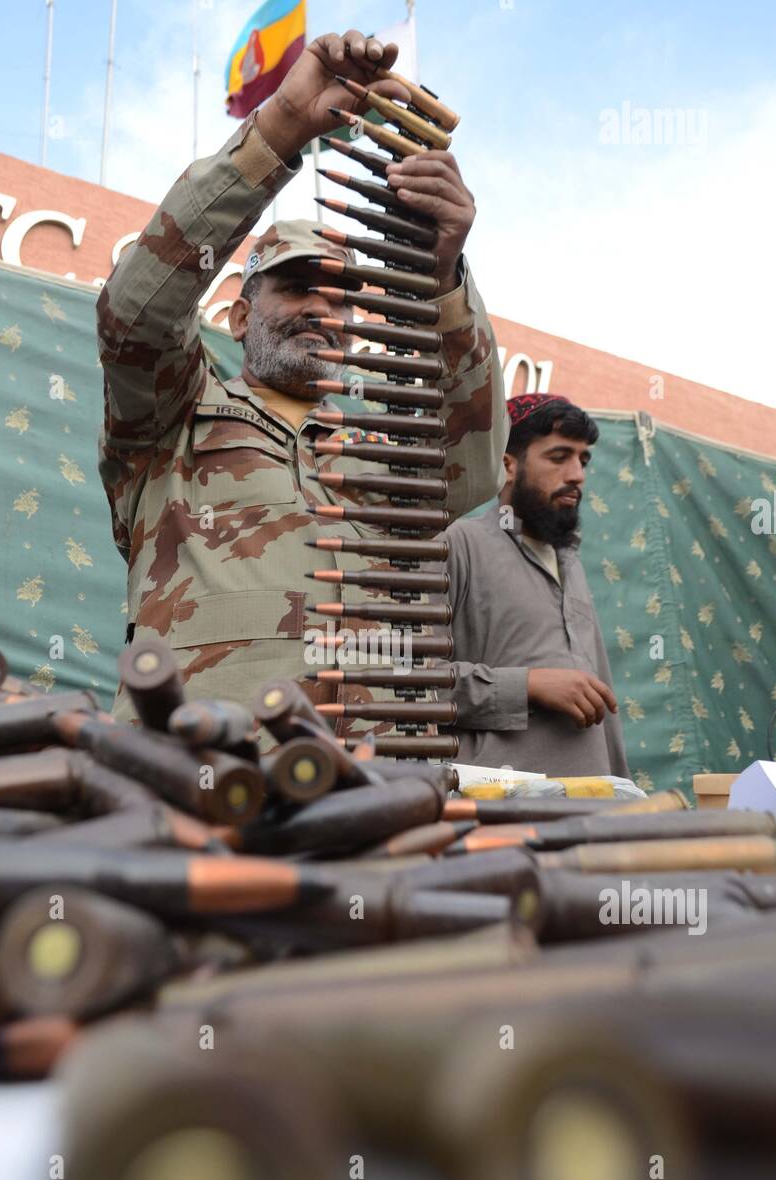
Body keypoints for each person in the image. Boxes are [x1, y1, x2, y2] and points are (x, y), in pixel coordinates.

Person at [97, 28, 506, 723]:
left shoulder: (382, 454)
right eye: (296, 286)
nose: (323, 307)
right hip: (197, 784)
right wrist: (280, 132)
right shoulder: (169, 422)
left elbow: (474, 464)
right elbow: (134, 314)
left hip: (375, 792)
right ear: (237, 316)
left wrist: (441, 275)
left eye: (345, 295)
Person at [445, 392, 629, 776]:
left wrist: (624, 802)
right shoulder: (459, 543)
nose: (577, 474)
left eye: (583, 460)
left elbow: (605, 711)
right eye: (559, 457)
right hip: (496, 814)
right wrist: (526, 685)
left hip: (592, 810)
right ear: (507, 466)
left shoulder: (570, 562)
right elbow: (408, 682)